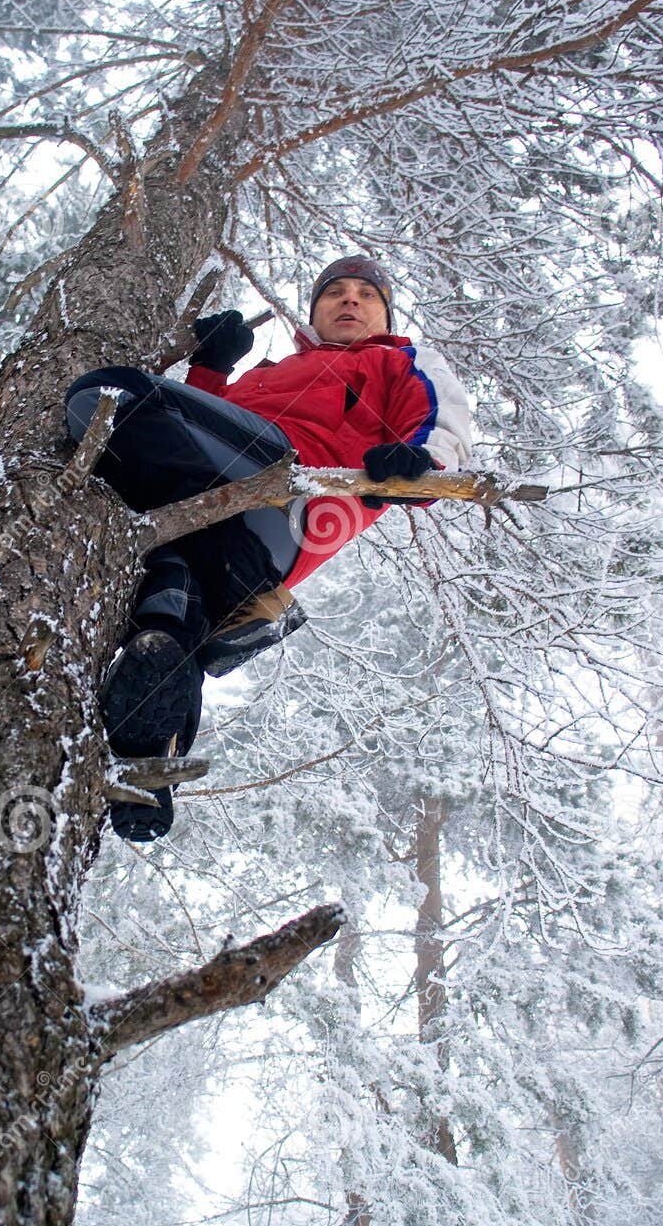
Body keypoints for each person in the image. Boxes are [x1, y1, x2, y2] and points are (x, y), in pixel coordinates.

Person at [64, 254, 473, 842]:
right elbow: (205, 424)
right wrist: (211, 369)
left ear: (386, 313)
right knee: (167, 595)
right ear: (314, 311)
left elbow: (440, 423)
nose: (350, 301)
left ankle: (220, 608)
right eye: (335, 293)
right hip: (219, 516)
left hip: (296, 495)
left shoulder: (399, 360)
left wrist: (420, 467)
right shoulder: (277, 369)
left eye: (365, 294)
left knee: (106, 396)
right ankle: (148, 755)